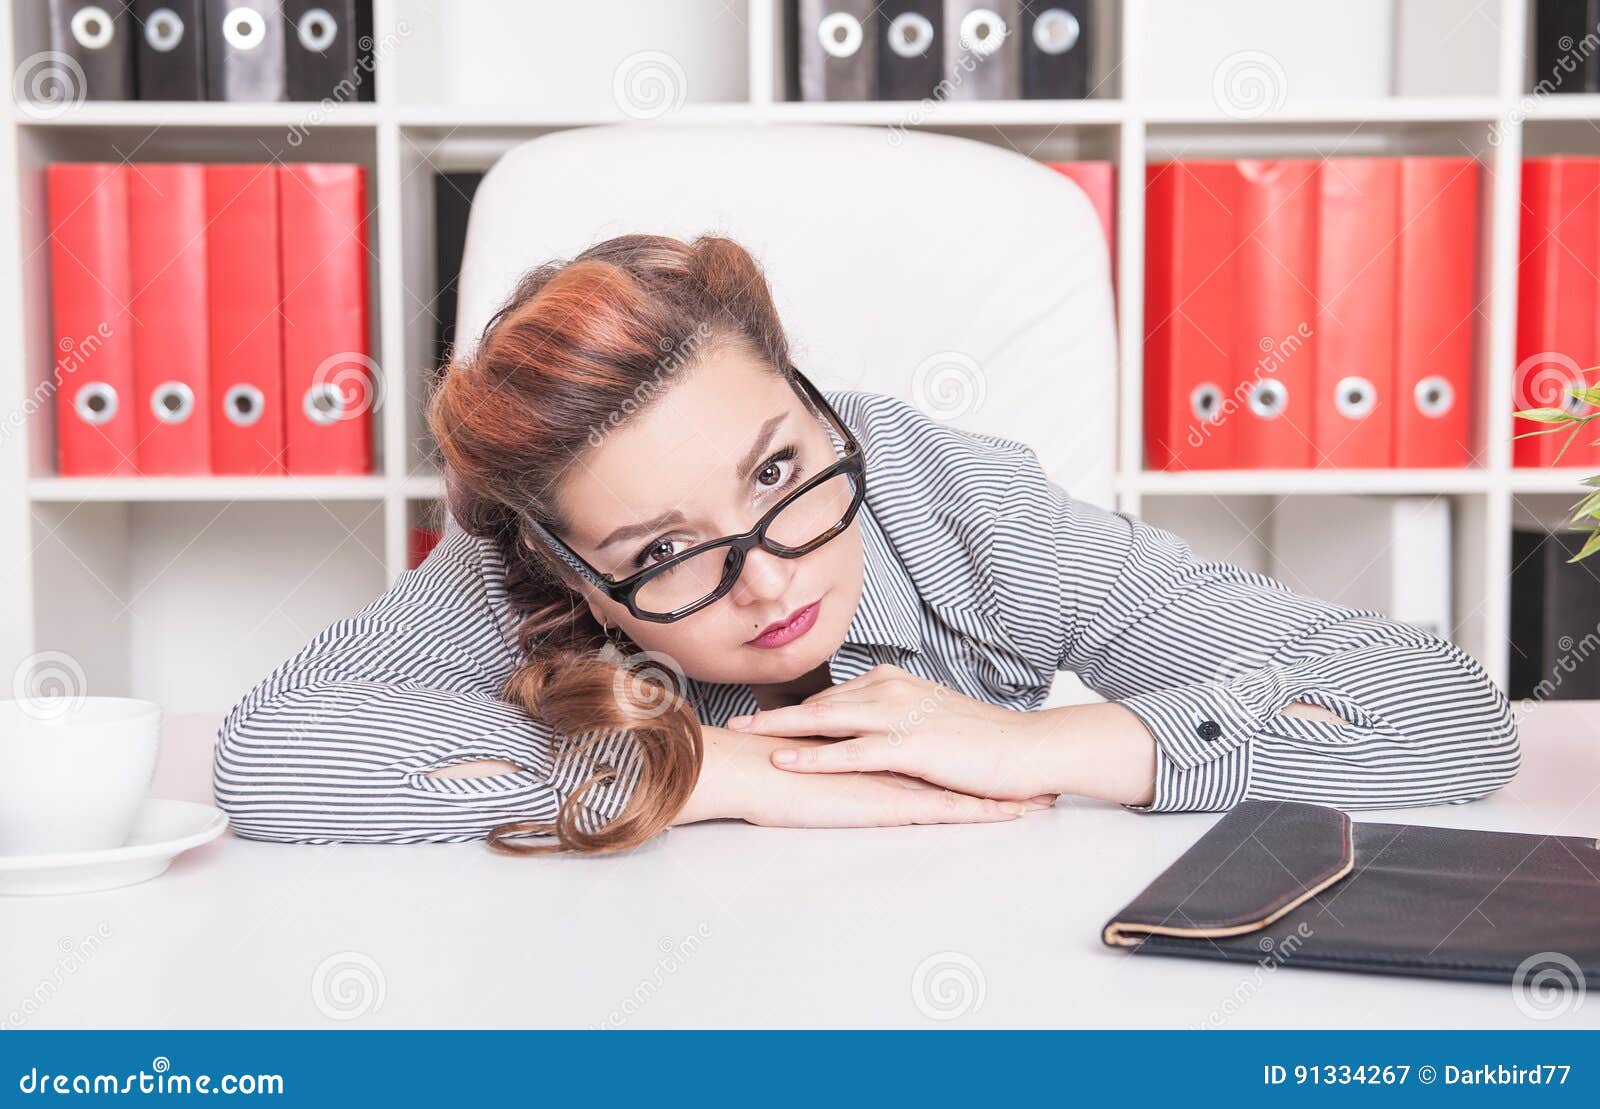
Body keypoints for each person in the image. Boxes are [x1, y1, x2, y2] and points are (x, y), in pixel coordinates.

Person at [211, 233, 1521, 855]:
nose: (772, 577)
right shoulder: (521, 567)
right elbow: (272, 759)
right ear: (576, 567)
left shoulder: (961, 504)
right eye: (668, 554)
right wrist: (706, 769)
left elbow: (1443, 710)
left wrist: (1038, 745)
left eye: (779, 471)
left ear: (814, 402)